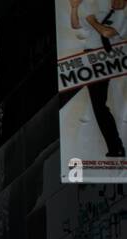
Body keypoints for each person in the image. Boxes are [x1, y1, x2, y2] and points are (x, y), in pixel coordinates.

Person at [57, 0, 127, 159]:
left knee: (99, 106)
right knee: (96, 105)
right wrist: (74, 8)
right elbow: (75, 25)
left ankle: (116, 147)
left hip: (102, 62)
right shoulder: (100, 13)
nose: (116, 2)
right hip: (89, 59)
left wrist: (91, 20)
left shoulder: (122, 17)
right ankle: (116, 147)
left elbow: (106, 32)